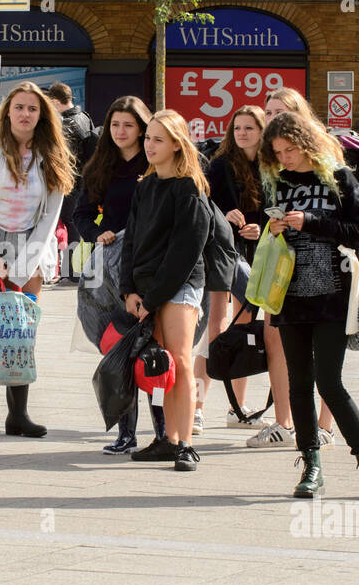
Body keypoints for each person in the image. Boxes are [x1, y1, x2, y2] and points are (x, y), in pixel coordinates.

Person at [262, 110, 359, 500]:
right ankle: (311, 465)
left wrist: (312, 221)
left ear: (308, 144)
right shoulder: (275, 182)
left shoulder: (338, 178)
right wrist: (268, 228)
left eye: (291, 150)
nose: (284, 158)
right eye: (278, 151)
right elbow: (263, 234)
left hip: (332, 294)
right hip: (289, 295)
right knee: (299, 384)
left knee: (329, 383)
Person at [0, 82, 75, 438]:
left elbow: (50, 216)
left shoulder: (51, 151)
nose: (25, 114)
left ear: (42, 116)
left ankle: (17, 415)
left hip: (31, 246)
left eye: (33, 109)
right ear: (8, 110)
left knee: (21, 329)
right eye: (19, 107)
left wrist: (24, 266)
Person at [244, 88, 339, 450]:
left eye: (279, 112)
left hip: (324, 270)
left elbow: (351, 220)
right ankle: (284, 422)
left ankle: (325, 425)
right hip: (282, 267)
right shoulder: (272, 163)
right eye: (267, 113)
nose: (271, 119)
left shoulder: (326, 158)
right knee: (275, 341)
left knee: (323, 354)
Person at [119, 109, 212, 472]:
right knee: (162, 367)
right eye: (148, 138)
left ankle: (185, 443)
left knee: (181, 360)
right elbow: (131, 243)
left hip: (180, 286)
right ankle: (166, 439)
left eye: (158, 139)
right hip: (146, 289)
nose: (149, 145)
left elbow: (186, 250)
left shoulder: (188, 187)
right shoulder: (145, 187)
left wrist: (154, 297)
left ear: (177, 144)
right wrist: (128, 290)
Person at [73, 95, 157, 455]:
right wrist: (97, 234)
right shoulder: (99, 166)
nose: (121, 131)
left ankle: (165, 433)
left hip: (148, 264)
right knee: (117, 346)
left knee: (153, 348)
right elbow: (81, 213)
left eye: (129, 125)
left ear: (142, 128)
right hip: (108, 267)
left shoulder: (155, 161)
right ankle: (126, 433)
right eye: (115, 125)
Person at [206, 106, 270, 431]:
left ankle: (237, 408)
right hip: (222, 253)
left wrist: (259, 227)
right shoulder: (220, 165)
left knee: (245, 326)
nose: (242, 133)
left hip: (257, 253)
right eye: (237, 128)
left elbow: (273, 212)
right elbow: (204, 202)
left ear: (261, 131)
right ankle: (198, 406)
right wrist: (225, 216)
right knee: (215, 327)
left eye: (249, 128)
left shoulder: (270, 166)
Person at [49, 82, 94, 285]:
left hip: (70, 185)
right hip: (83, 183)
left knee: (70, 227)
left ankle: (72, 272)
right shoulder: (84, 117)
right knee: (75, 227)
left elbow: (63, 157)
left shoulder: (66, 125)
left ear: (56, 101)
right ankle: (73, 270)